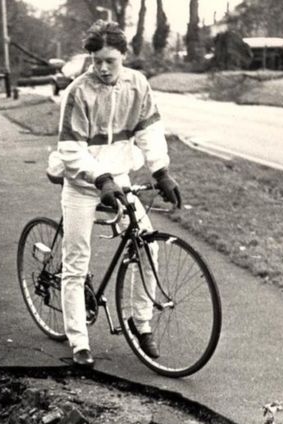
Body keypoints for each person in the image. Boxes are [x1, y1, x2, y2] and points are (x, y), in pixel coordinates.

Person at [46, 20, 182, 368]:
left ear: (124, 55)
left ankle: (141, 322)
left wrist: (161, 171)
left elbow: (149, 132)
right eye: (96, 61)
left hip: (118, 178)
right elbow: (71, 149)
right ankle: (79, 341)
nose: (103, 68)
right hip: (82, 182)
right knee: (77, 261)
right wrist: (99, 177)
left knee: (147, 244)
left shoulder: (137, 84)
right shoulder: (78, 91)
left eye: (111, 60)